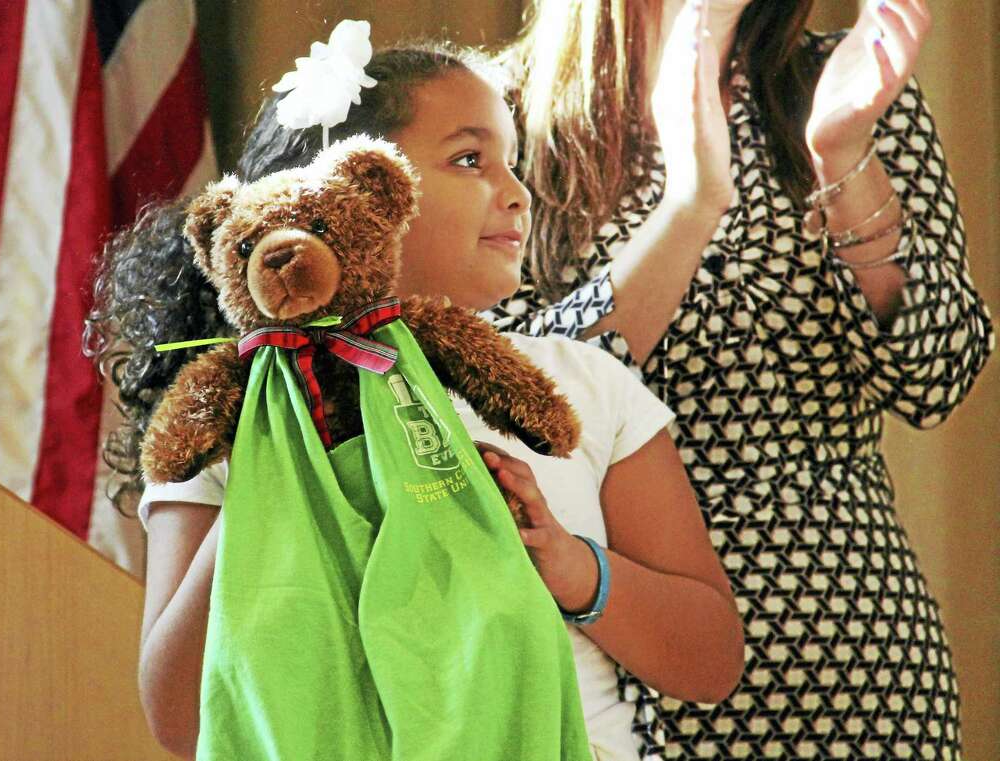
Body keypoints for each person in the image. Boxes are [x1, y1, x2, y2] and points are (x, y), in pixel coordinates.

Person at [88, 43, 743, 759]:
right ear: (352, 191)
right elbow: (180, 718)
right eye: (470, 159)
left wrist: (569, 563)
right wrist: (275, 480)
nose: (517, 191)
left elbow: (709, 657)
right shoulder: (234, 416)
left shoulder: (585, 385)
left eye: (512, 161)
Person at [490, 0, 995, 758]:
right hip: (625, 655)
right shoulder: (496, 116)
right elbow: (522, 399)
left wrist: (843, 156)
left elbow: (936, 376)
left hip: (861, 669)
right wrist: (693, 204)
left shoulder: (839, 81)